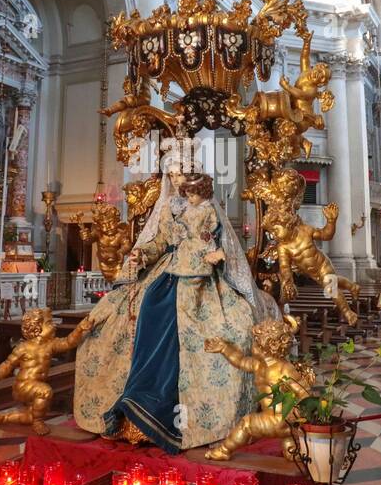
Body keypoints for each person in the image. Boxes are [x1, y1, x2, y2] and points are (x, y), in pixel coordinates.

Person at [72, 169, 261, 453]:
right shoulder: (168, 210)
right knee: (139, 308)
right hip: (168, 273)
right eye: (171, 175)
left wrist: (217, 255)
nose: (176, 180)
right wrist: (142, 254)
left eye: (181, 174)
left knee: (231, 324)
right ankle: (135, 401)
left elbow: (219, 242)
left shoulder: (208, 209)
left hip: (200, 276)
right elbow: (159, 242)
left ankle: (176, 408)